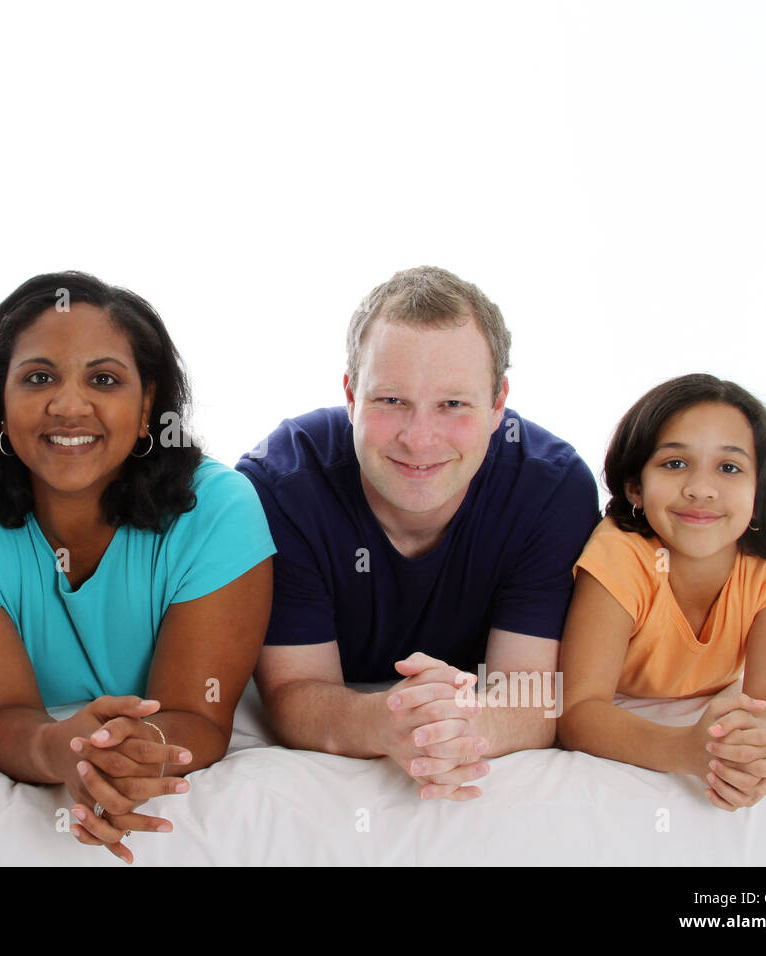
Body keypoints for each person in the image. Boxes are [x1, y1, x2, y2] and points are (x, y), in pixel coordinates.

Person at [0, 271, 274, 864]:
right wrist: (63, 750)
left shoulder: (221, 507)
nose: (69, 405)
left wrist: (129, 752)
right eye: (39, 377)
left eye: (104, 379)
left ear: (148, 402)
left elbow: (196, 714)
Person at [237, 266, 599, 800]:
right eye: (390, 400)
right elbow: (294, 693)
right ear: (351, 396)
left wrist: (470, 727)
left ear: (498, 404)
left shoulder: (552, 487)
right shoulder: (280, 485)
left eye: (453, 404)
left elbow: (531, 689)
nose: (419, 437)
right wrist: (388, 722)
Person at [556, 374, 766, 811]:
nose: (700, 488)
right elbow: (578, 712)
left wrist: (745, 750)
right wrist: (684, 749)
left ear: (760, 490)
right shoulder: (621, 553)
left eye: (729, 468)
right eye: (675, 464)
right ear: (636, 486)